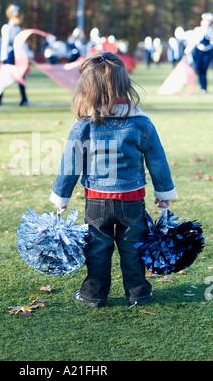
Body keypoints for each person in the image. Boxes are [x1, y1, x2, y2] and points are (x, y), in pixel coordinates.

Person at [49, 52, 176, 308]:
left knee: (97, 250)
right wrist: (164, 193)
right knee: (132, 249)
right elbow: (157, 161)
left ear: (87, 89)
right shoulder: (141, 123)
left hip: (96, 201)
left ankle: (93, 295)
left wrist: (61, 195)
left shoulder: (84, 124)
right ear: (124, 84)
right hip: (132, 201)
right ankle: (138, 293)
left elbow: (70, 164)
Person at [0, 4, 29, 106]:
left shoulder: (17, 28)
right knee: (4, 78)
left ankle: (24, 99)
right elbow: (5, 43)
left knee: (20, 76)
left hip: (17, 55)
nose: (21, 19)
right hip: (9, 56)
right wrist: (3, 58)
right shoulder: (7, 27)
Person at [184, 12, 213, 94]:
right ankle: (201, 86)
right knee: (198, 69)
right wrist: (186, 52)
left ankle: (203, 88)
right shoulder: (198, 30)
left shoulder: (211, 31)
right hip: (199, 52)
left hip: (208, 52)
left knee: (204, 70)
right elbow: (192, 42)